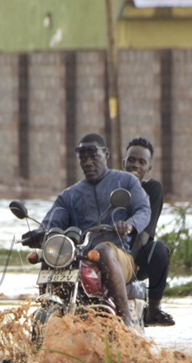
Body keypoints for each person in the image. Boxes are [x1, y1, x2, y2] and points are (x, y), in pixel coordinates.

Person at [32, 133, 151, 328]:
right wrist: (39, 232)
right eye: (83, 158)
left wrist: (129, 224)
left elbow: (143, 210)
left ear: (106, 154)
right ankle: (46, 310)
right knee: (49, 255)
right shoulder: (70, 195)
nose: (88, 162)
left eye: (94, 157)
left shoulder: (126, 181)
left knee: (104, 249)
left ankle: (125, 322)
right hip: (80, 255)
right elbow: (52, 220)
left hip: (119, 256)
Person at [123, 137, 175, 326]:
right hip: (103, 250)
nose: (135, 165)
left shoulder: (152, 189)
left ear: (148, 168)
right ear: (123, 162)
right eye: (131, 160)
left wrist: (129, 259)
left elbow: (145, 230)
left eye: (141, 162)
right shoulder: (109, 186)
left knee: (160, 250)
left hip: (135, 256)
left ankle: (153, 311)